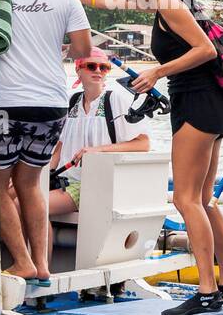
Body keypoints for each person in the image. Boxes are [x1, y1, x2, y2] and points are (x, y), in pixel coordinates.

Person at [82, 0, 223, 315]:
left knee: (186, 200)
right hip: (209, 106)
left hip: (197, 104)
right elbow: (105, 1)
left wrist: (157, 71)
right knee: (204, 200)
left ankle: (206, 292)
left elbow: (206, 49)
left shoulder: (168, 3)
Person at [0, 0, 92, 287]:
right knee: (32, 182)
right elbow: (83, 49)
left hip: (6, 101)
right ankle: (43, 264)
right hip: (52, 101)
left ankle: (22, 262)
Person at [47, 48, 150, 215]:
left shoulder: (115, 99)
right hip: (61, 180)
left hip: (91, 185)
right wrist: (41, 175)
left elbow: (144, 143)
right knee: (15, 198)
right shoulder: (71, 101)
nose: (98, 71)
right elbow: (60, 147)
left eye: (104, 67)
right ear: (78, 70)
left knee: (30, 207)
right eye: (91, 66)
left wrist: (97, 150)